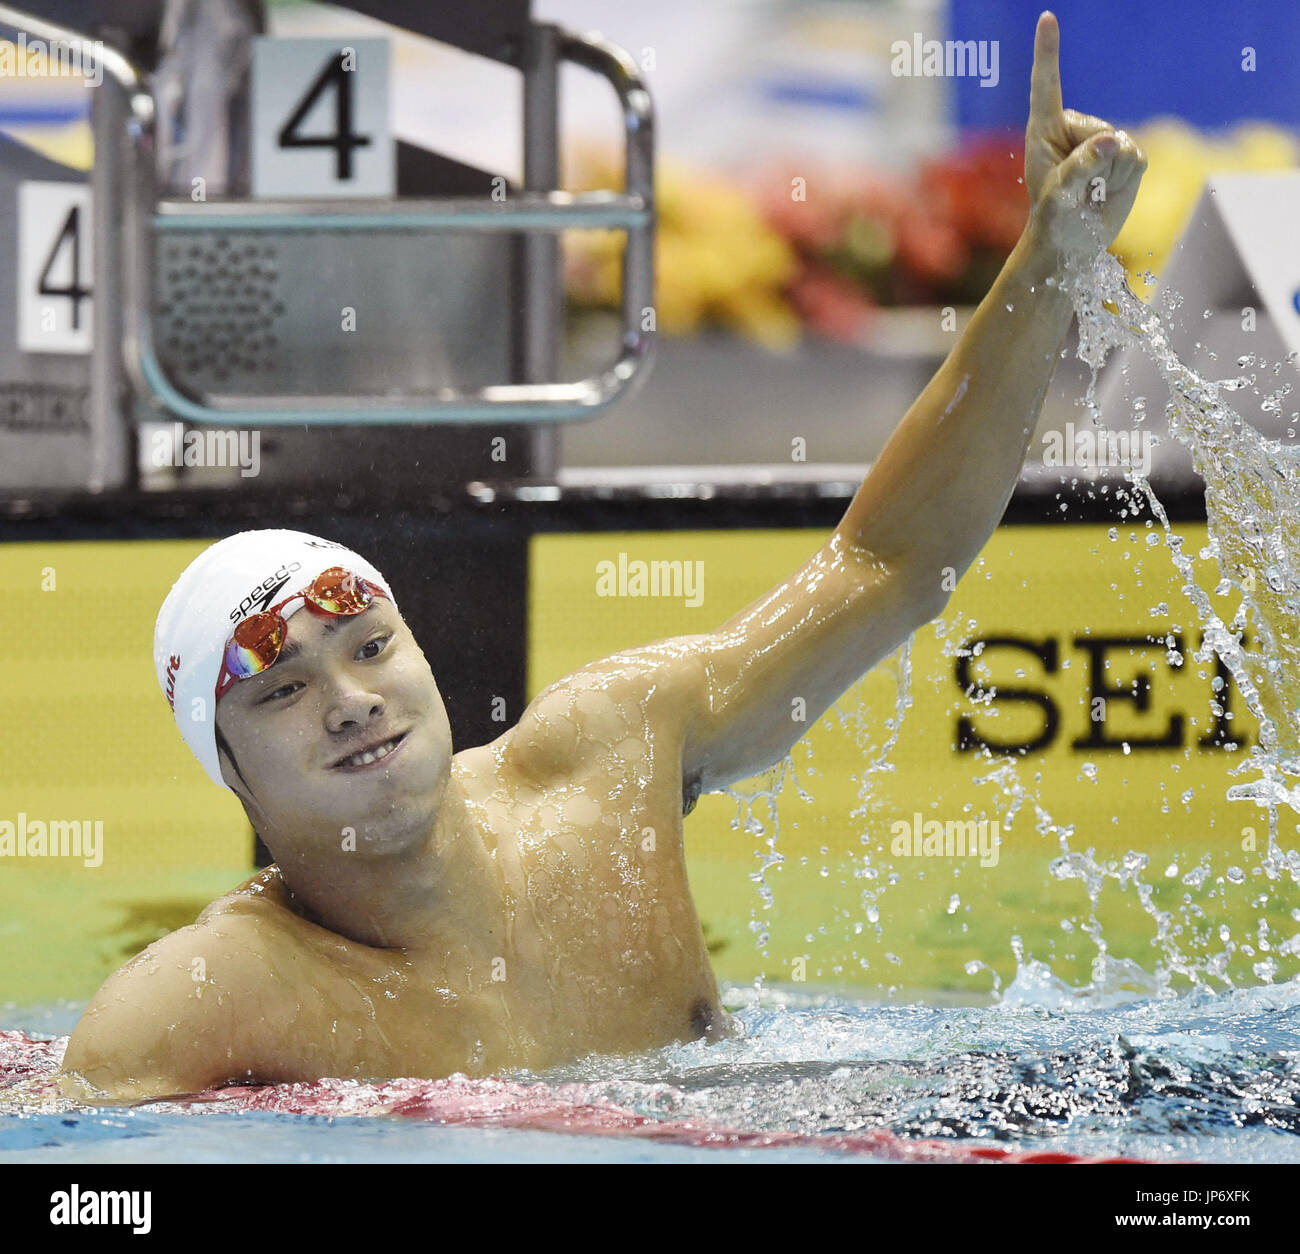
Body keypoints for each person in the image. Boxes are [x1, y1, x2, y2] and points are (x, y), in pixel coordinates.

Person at [58, 12, 1146, 1104]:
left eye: (370, 645)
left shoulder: (604, 765)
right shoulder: (210, 995)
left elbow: (888, 564)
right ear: (224, 768)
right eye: (286, 688)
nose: (351, 702)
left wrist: (1043, 270)